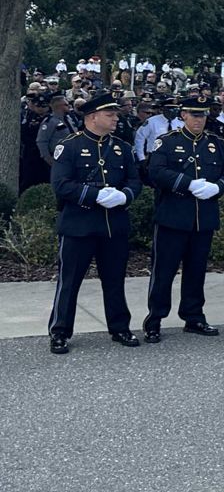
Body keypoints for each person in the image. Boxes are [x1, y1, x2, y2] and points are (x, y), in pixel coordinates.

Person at [47, 93, 144, 354]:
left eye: (115, 114)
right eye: (109, 114)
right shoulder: (69, 146)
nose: (115, 118)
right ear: (92, 117)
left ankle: (119, 326)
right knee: (69, 281)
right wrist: (95, 195)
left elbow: (135, 181)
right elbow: (61, 184)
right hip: (79, 224)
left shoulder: (122, 148)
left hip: (113, 224)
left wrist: (124, 195)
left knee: (114, 280)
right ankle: (60, 331)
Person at [142, 94, 224, 343]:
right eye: (194, 115)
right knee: (164, 271)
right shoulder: (168, 142)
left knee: (196, 271)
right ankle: (155, 319)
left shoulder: (215, 143)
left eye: (203, 115)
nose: (199, 120)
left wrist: (219, 188)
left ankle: (193, 315)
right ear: (183, 115)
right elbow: (156, 172)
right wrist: (187, 184)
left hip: (202, 218)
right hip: (173, 216)